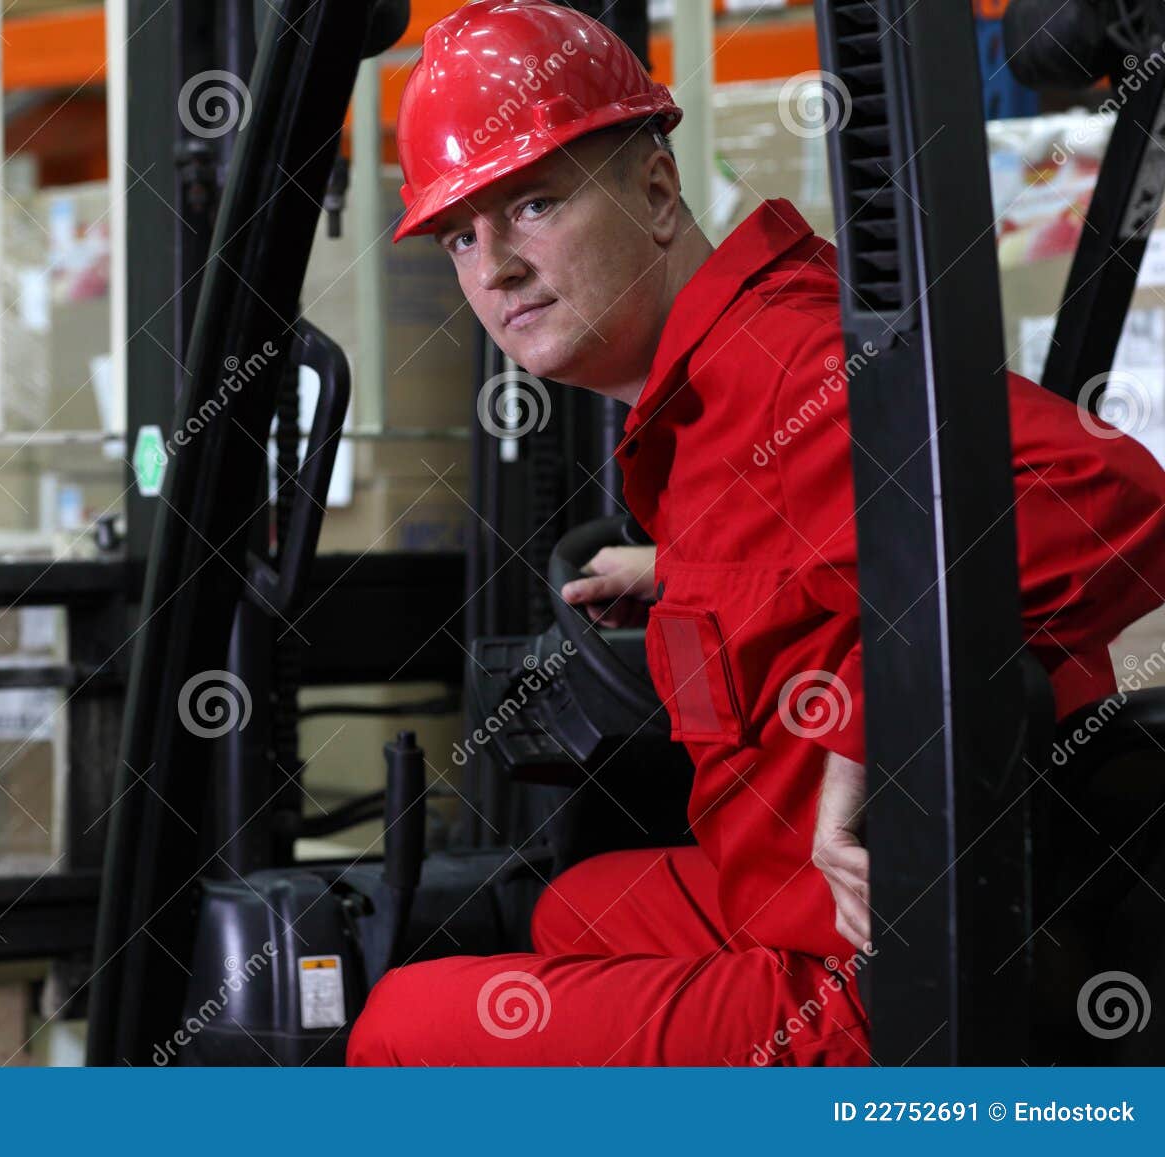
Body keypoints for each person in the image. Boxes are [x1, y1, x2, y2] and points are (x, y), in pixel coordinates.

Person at [346, 0, 1165, 1066]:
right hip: (796, 887)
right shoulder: (707, 397)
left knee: (399, 1025)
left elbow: (1113, 503)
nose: (493, 266)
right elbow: (837, 540)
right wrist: (681, 569)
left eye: (534, 204)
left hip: (876, 979)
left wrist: (871, 718)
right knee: (569, 908)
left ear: (653, 188)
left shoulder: (783, 369)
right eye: (461, 233)